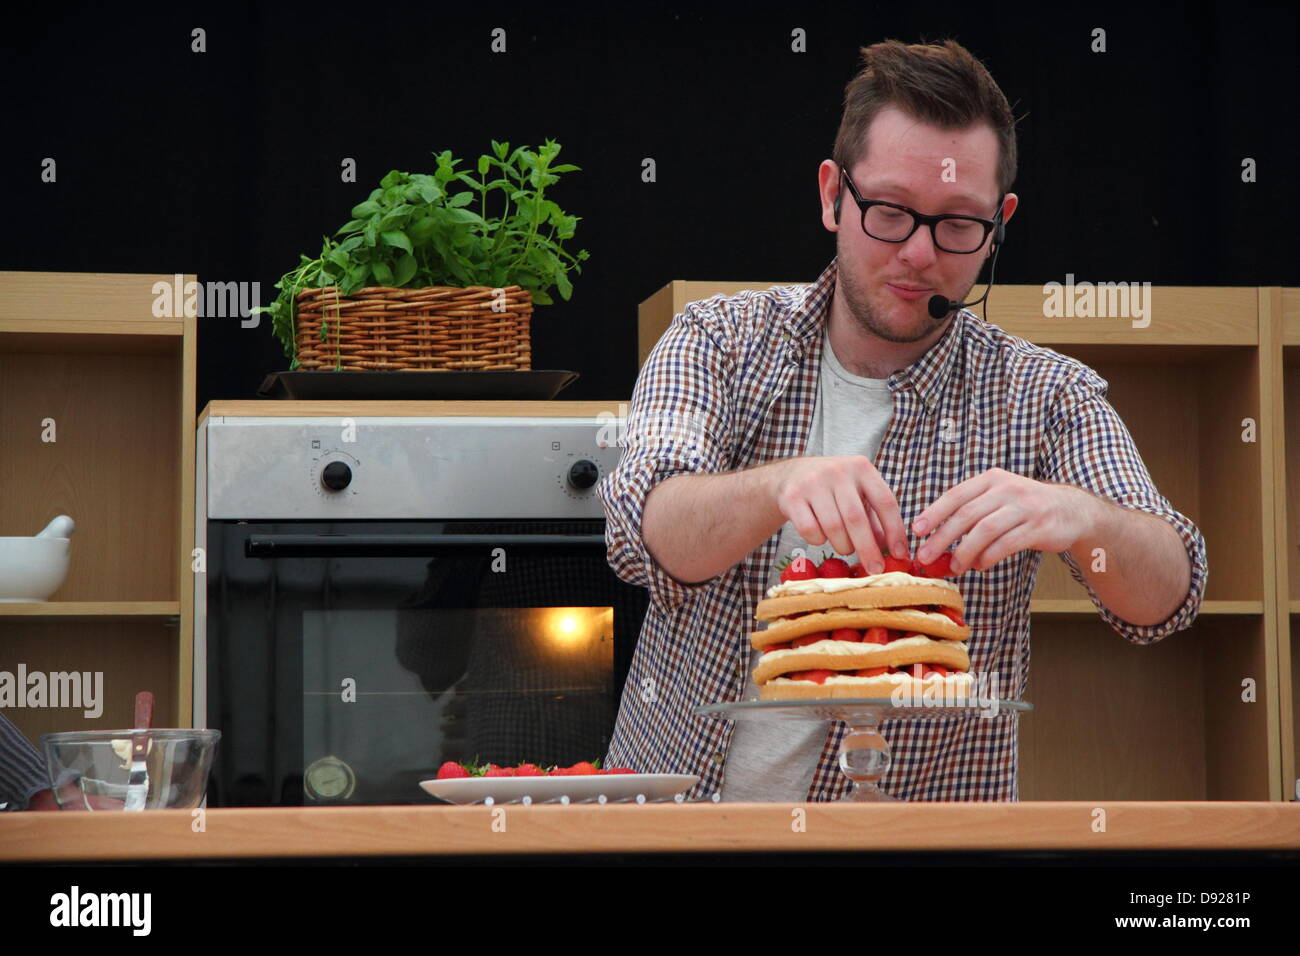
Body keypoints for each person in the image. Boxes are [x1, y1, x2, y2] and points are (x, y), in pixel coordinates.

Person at [596, 38, 1207, 802]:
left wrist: (1078, 514)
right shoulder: (717, 339)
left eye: (958, 225)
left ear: (1001, 222)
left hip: (920, 845)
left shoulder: (1046, 395)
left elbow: (1165, 597)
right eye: (889, 211)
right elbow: (644, 535)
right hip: (675, 834)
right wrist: (778, 487)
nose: (920, 254)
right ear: (831, 195)